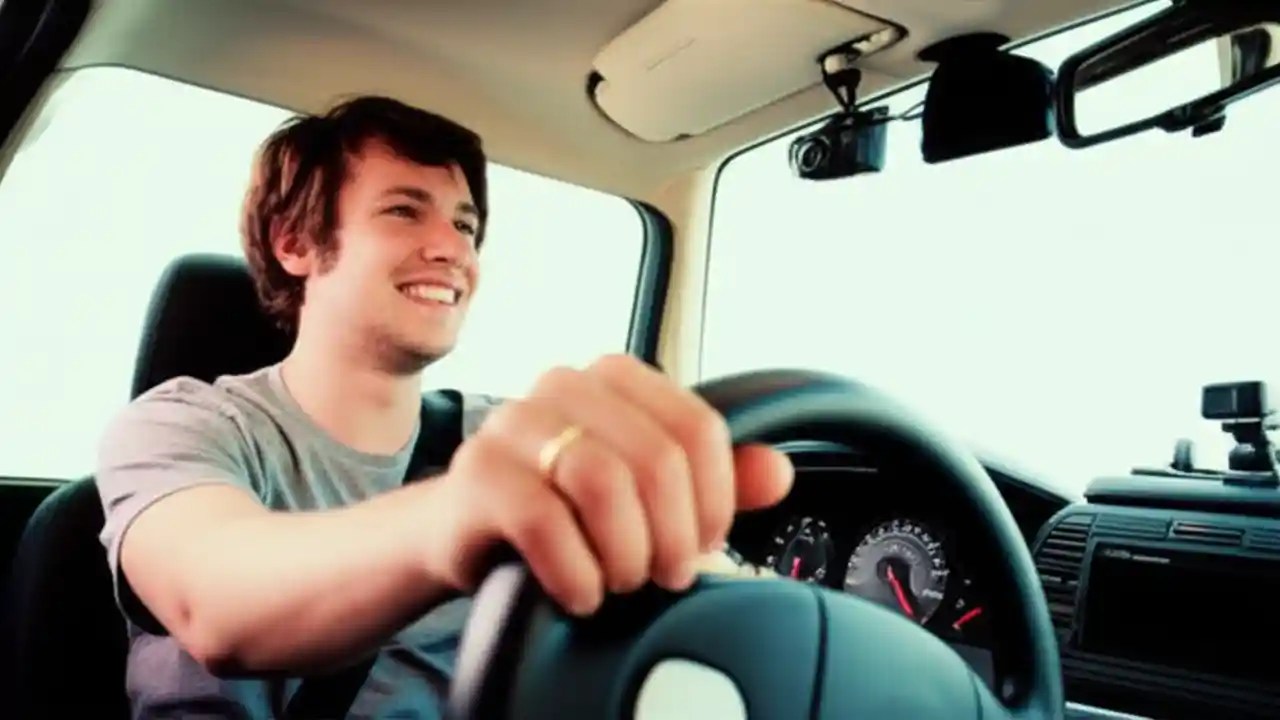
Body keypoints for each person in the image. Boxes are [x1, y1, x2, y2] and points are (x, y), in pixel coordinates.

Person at [95, 95, 794, 718]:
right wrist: (456, 515)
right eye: (404, 211)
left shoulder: (513, 439)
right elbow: (217, 602)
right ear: (295, 243)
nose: (451, 249)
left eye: (465, 225)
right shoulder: (181, 426)